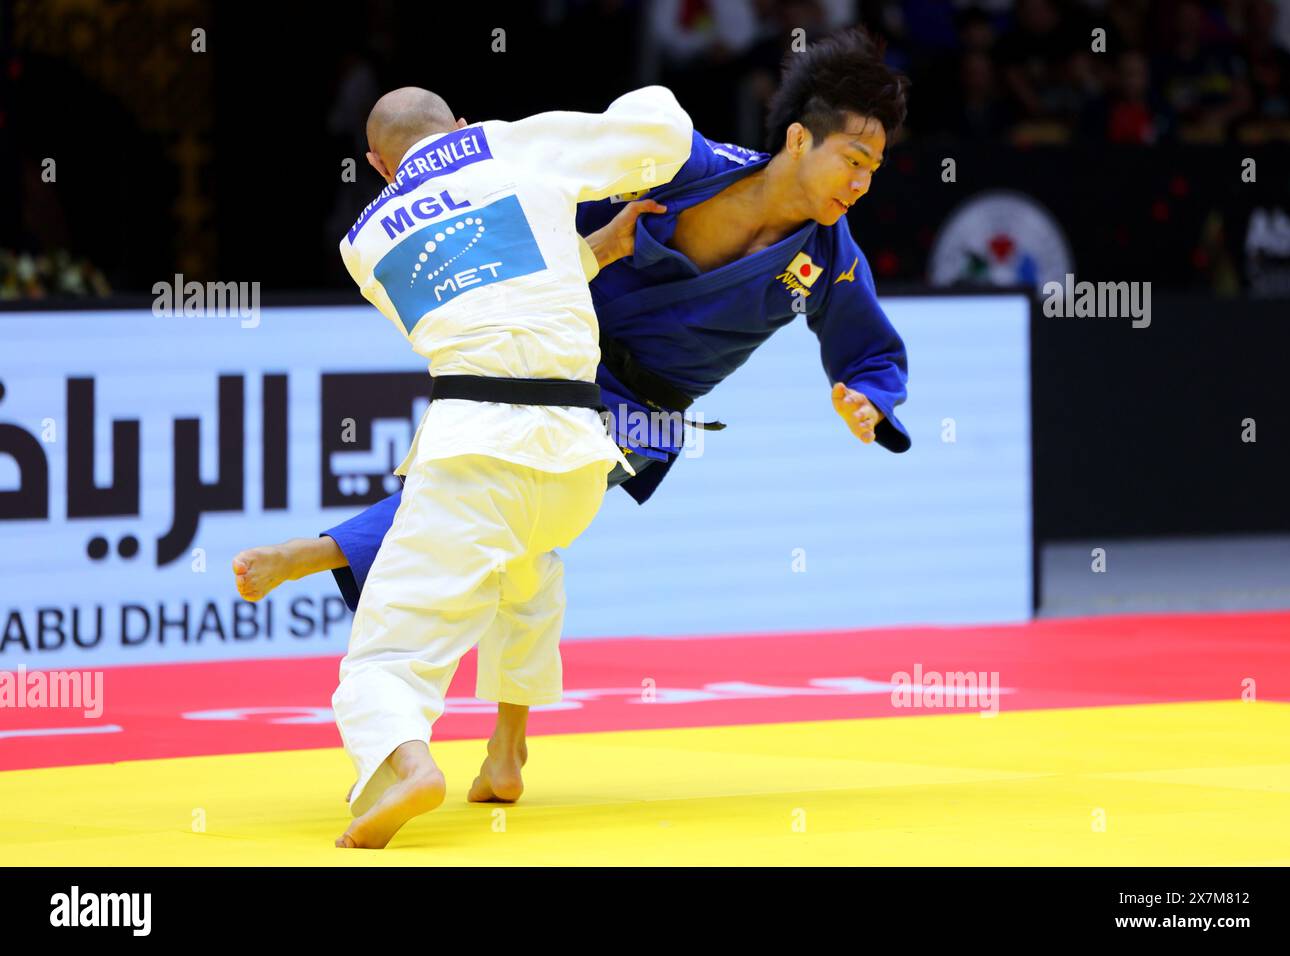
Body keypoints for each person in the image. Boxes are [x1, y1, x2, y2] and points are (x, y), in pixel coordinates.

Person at [235, 28, 912, 817]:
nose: (862, 184)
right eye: (853, 161)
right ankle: (506, 750)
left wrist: (870, 398)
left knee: (489, 506)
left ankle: (326, 557)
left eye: (874, 169)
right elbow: (544, 194)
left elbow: (866, 349)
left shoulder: (829, 259)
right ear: (799, 138)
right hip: (562, 347)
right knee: (523, 540)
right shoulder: (691, 167)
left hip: (642, 408)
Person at [325, 84, 693, 848]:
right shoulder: (509, 143)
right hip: (578, 458)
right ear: (457, 122)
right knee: (524, 571)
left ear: (375, 164)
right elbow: (666, 134)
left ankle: (405, 763)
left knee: (384, 656)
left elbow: (482, 303)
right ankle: (506, 755)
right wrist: (611, 211)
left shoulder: (362, 243)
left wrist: (587, 247)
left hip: (476, 449)